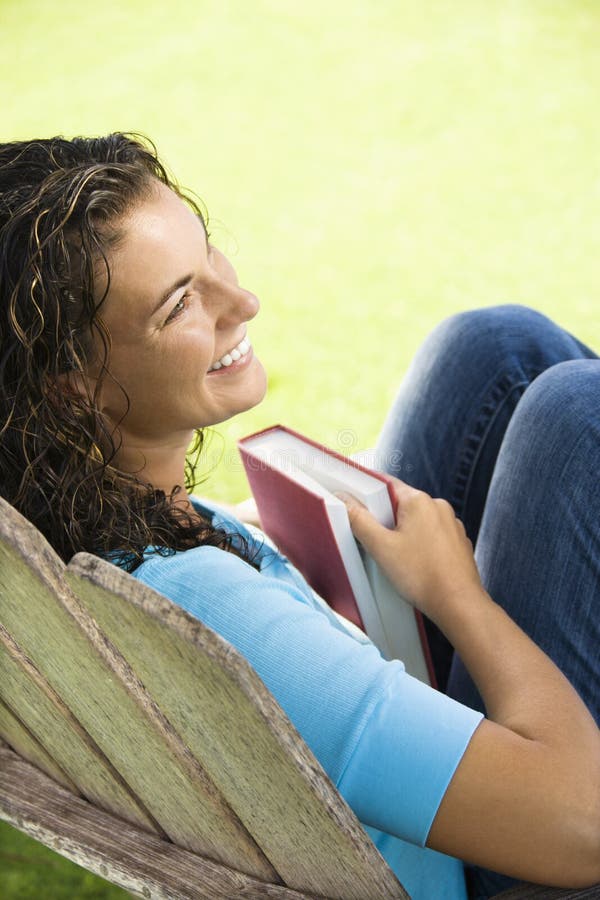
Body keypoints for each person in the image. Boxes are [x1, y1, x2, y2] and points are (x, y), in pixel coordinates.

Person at [0, 133, 598, 900]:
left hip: (394, 785)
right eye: (180, 303)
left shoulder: (92, 524)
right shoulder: (210, 614)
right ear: (72, 388)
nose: (242, 303)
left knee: (491, 347)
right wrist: (457, 595)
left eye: (208, 254)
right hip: (492, 859)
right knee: (571, 414)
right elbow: (581, 825)